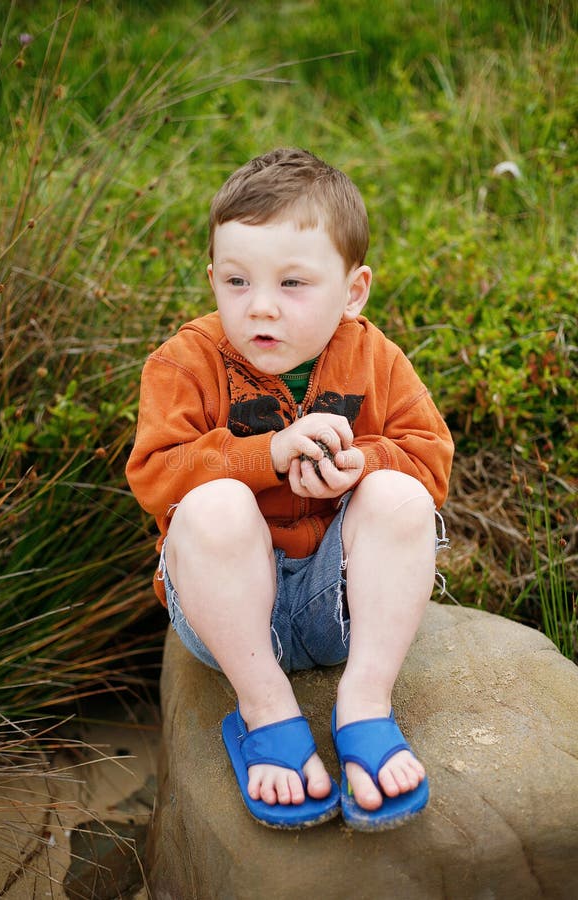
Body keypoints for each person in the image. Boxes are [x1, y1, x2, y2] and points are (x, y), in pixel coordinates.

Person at [126, 147, 454, 831]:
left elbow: (430, 457)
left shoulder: (376, 358)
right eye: (238, 282)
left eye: (294, 284)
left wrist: (362, 464)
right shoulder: (184, 363)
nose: (262, 308)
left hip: (341, 608)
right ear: (212, 278)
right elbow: (156, 473)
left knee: (401, 496)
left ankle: (364, 700)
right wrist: (265, 455)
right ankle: (265, 707)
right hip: (229, 620)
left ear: (353, 290)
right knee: (212, 504)